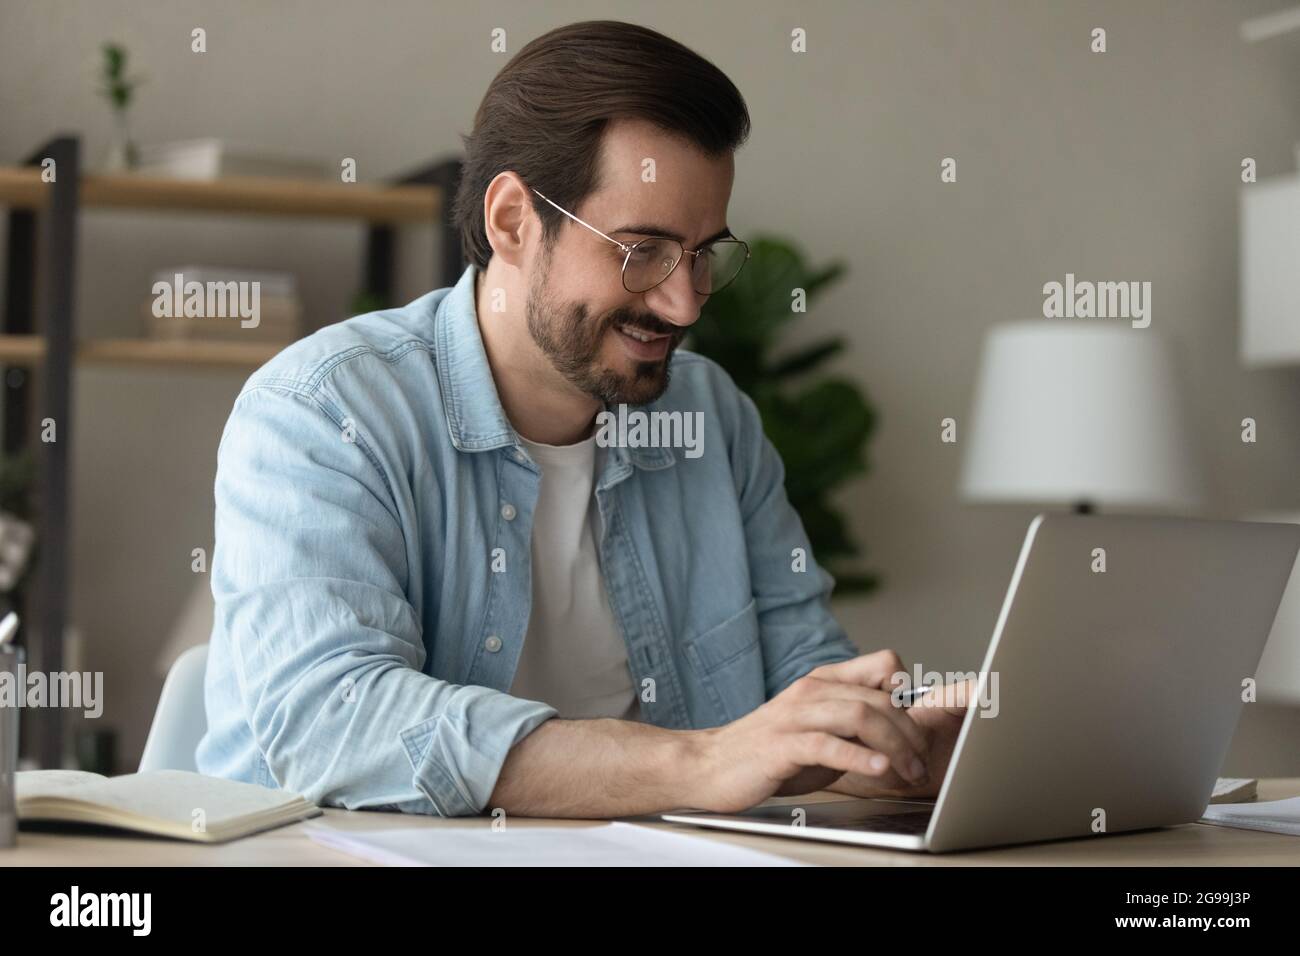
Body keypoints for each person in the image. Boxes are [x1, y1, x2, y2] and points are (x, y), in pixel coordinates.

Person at [196, 19, 966, 818]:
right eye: (642, 251)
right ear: (512, 222)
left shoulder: (710, 417)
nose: (683, 300)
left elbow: (798, 676)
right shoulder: (324, 411)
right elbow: (334, 722)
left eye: (704, 254)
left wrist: (892, 744)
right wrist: (698, 762)